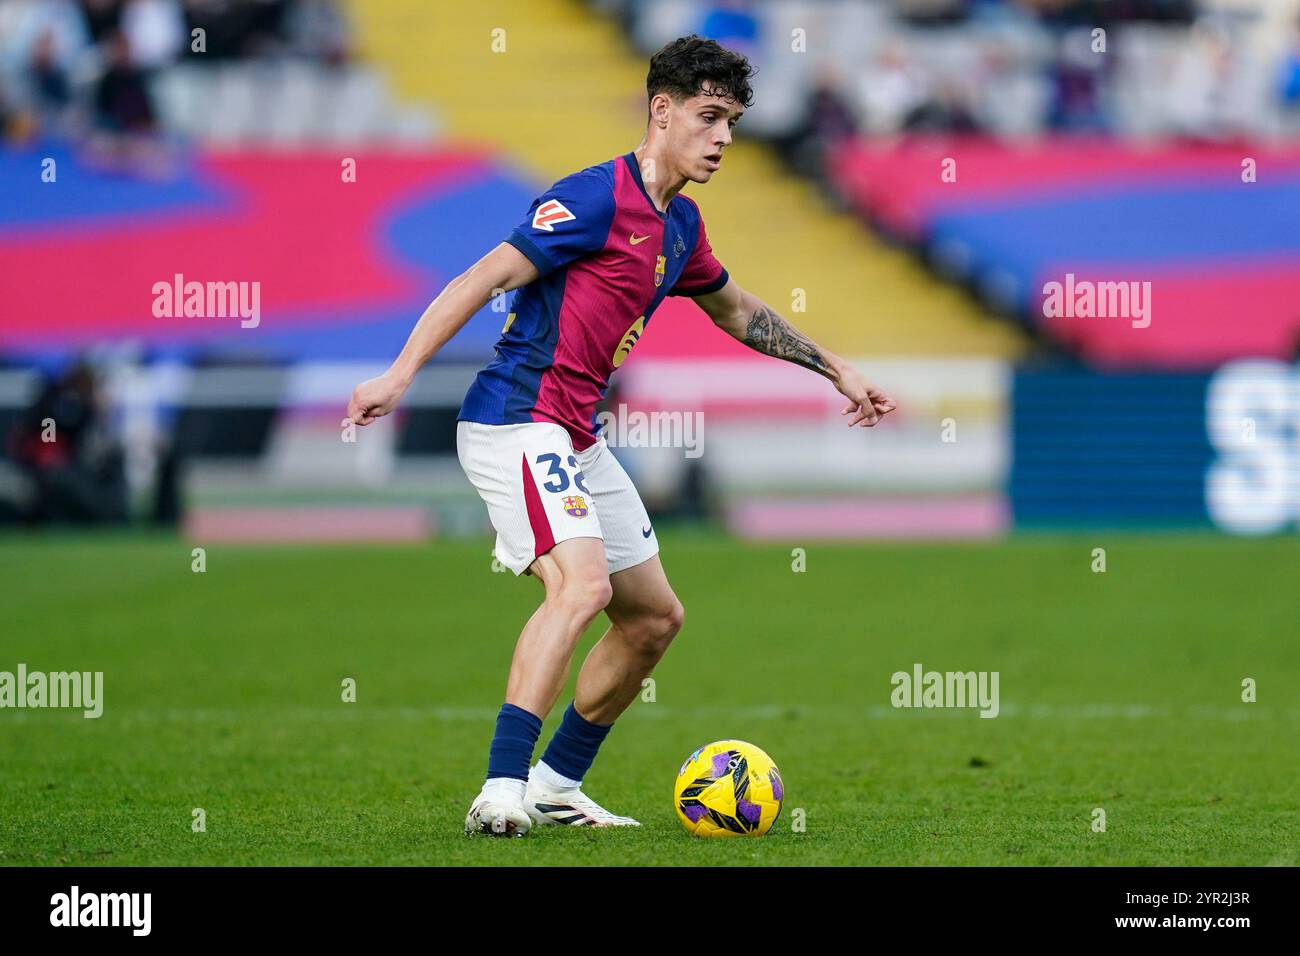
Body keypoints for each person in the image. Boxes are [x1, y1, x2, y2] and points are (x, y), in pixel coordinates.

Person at [346, 35, 896, 837]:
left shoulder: (681, 226)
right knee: (584, 587)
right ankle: (500, 790)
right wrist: (398, 374)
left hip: (574, 437)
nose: (724, 138)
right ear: (662, 109)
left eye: (734, 122)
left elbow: (736, 310)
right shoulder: (595, 196)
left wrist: (837, 367)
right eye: (710, 117)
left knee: (654, 619)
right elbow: (485, 275)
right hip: (515, 420)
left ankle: (555, 785)